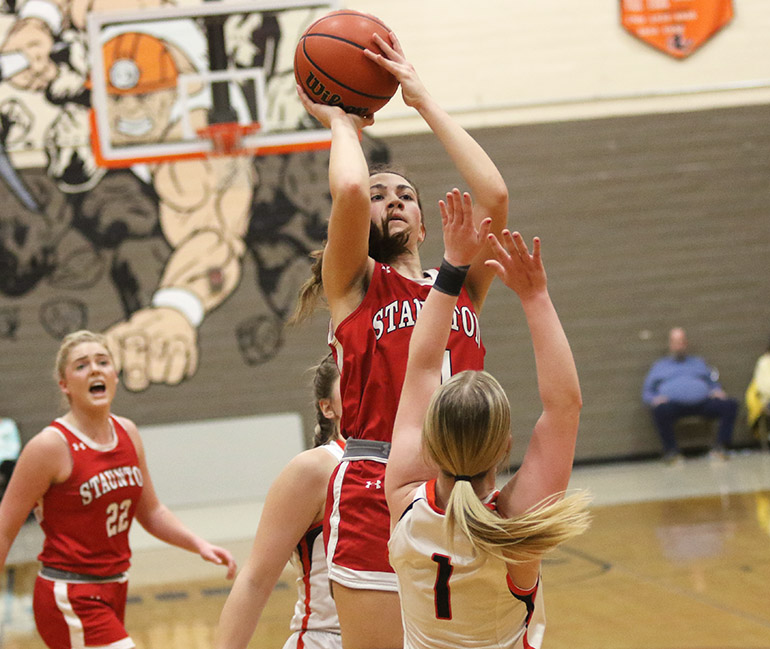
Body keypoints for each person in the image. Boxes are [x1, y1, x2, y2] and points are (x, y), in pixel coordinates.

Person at [293, 29, 509, 649]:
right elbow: (352, 188)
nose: (391, 200)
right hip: (372, 488)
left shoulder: (460, 285)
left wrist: (419, 96)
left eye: (406, 196)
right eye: (383, 194)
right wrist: (341, 123)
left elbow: (493, 196)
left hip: (463, 487)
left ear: (422, 220)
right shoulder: (355, 286)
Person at [385, 191, 590, 649]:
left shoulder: (404, 502)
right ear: (505, 445)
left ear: (430, 444)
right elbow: (564, 407)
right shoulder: (517, 528)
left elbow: (419, 367)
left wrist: (453, 267)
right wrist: (535, 297)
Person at [0, 330, 237, 649]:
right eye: (82, 365)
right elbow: (4, 529)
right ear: (64, 385)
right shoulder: (49, 446)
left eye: (103, 361)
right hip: (69, 595)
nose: (95, 369)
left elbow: (151, 511)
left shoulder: (128, 432)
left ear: (114, 375)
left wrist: (197, 544)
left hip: (114, 588)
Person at [215, 353, 344, 649]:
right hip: (329, 640)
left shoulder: (405, 464)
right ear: (327, 407)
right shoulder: (314, 469)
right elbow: (255, 581)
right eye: (351, 381)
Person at [641, 327, 738, 464]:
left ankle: (721, 448)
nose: (678, 345)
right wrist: (654, 399)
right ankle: (671, 452)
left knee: (730, 405)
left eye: (681, 341)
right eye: (675, 342)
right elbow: (647, 392)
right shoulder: (660, 366)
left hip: (703, 403)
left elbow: (713, 382)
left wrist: (716, 390)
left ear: (686, 343)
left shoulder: (698, 362)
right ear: (670, 344)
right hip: (673, 406)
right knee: (659, 410)